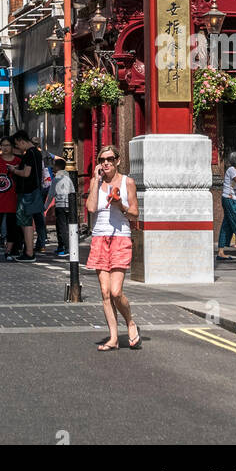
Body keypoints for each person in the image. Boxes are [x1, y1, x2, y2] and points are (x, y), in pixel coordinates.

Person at [85, 144, 141, 351]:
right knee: (105, 292)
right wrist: (95, 181)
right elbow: (91, 208)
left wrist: (120, 205)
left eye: (109, 159)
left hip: (120, 238)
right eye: (102, 160)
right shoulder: (96, 182)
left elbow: (135, 213)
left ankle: (130, 322)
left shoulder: (128, 182)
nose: (105, 163)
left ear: (117, 161)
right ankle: (114, 338)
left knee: (116, 291)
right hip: (100, 237)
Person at [9, 130, 46, 261]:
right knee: (28, 221)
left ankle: (29, 252)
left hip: (27, 192)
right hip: (34, 190)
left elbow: (26, 173)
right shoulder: (36, 153)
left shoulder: (29, 154)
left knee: (25, 221)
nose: (17, 147)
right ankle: (28, 250)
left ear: (21, 140)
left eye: (17, 144)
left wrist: (14, 170)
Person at [45, 155, 75, 258]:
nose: (53, 167)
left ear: (57, 167)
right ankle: (62, 246)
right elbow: (72, 191)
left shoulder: (56, 178)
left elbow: (51, 194)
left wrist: (45, 206)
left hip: (60, 205)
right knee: (66, 226)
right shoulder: (68, 177)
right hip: (69, 205)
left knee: (61, 227)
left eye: (54, 166)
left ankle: (65, 248)